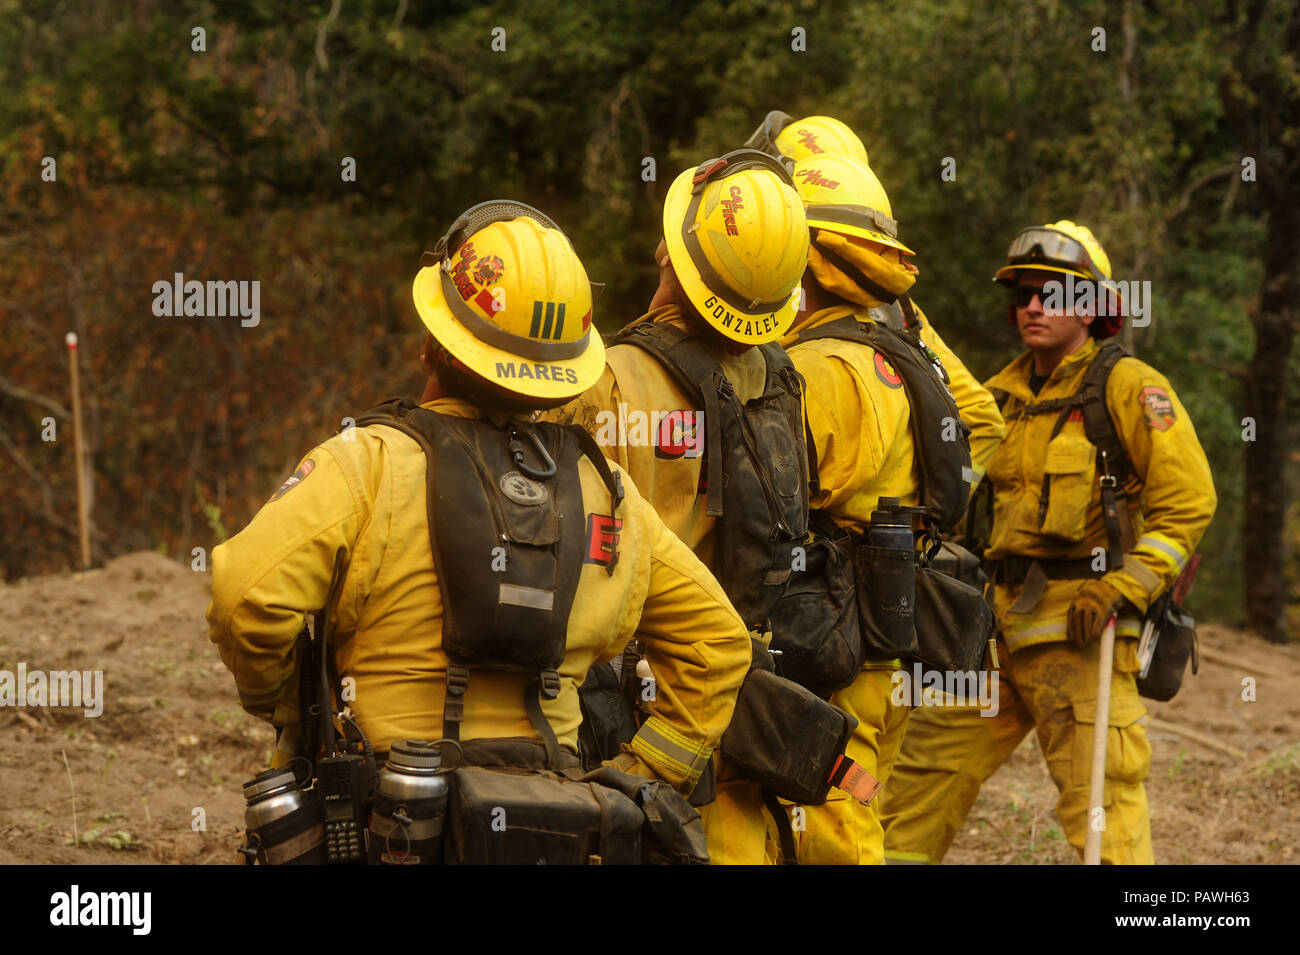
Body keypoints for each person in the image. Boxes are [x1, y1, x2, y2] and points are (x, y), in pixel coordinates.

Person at [207, 201, 753, 862]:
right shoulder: (610, 495)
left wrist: (286, 706)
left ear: (431, 341)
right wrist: (639, 778)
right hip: (553, 828)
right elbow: (719, 644)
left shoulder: (366, 464)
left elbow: (245, 596)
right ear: (564, 371)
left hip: (388, 826)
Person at [881, 220, 1217, 864]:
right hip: (990, 638)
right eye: (1024, 294)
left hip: (1084, 641)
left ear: (1091, 307)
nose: (1034, 306)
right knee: (918, 782)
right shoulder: (996, 399)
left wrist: (1126, 584)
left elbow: (1189, 502)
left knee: (1104, 815)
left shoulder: (1127, 387)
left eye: (1054, 294)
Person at [549, 149, 817, 864]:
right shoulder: (780, 377)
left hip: (640, 704)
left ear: (670, 252)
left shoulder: (607, 381)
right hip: (740, 680)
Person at [771, 152, 983, 864]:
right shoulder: (894, 351)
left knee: (832, 823)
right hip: (875, 644)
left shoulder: (827, 367)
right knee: (858, 804)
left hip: (833, 644)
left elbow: (786, 506)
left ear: (805, 260)